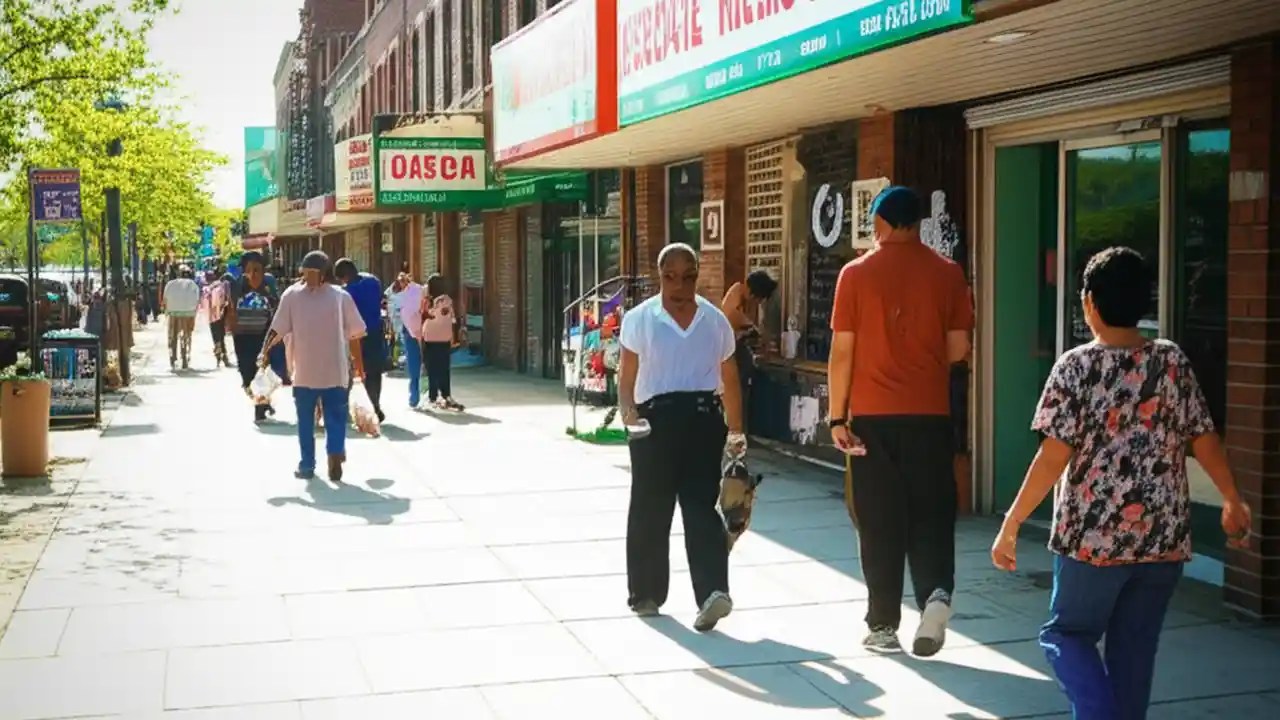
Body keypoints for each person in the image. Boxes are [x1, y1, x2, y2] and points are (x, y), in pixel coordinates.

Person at [990, 247, 1251, 720]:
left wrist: (1012, 522)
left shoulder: (1075, 367)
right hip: (1163, 541)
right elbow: (1204, 437)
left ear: (1088, 303)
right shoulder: (1172, 362)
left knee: (1066, 635)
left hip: (1092, 543)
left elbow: (1053, 456)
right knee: (1134, 654)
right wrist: (1231, 496)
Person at [827, 186, 973, 656]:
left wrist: (836, 416)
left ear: (881, 223)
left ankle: (884, 625)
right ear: (918, 223)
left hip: (873, 419)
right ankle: (935, 594)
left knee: (879, 520)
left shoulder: (855, 274)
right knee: (932, 511)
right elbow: (958, 350)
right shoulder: (948, 274)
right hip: (930, 416)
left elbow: (842, 351)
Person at [618, 243, 745, 633]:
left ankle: (713, 593)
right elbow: (626, 376)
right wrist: (630, 415)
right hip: (654, 422)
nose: (680, 284)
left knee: (701, 507)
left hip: (703, 419)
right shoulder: (640, 319)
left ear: (697, 275)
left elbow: (730, 377)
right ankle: (646, 593)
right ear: (660, 276)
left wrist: (737, 432)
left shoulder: (714, 321)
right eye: (670, 276)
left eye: (688, 276)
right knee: (650, 509)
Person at [260, 250, 367, 482]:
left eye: (312, 273)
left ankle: (314, 463)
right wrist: (264, 351)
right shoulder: (338, 297)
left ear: (324, 274)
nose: (307, 277)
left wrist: (359, 366)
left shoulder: (300, 296)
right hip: (326, 372)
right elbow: (356, 332)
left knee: (312, 421)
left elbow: (278, 328)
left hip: (310, 373)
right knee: (332, 418)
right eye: (305, 273)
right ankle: (330, 454)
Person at [226, 252, 287, 422]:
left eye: (257, 270)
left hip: (263, 338)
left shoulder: (269, 288)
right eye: (249, 270)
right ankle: (260, 401)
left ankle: (260, 406)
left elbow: (276, 312)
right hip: (242, 339)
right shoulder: (237, 288)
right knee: (247, 375)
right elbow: (230, 309)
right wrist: (233, 328)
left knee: (263, 372)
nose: (253, 275)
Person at [720, 269, 779, 426]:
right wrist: (751, 327)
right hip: (730, 349)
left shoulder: (747, 302)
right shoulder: (737, 291)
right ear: (754, 292)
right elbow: (728, 314)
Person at [334, 257, 386, 422]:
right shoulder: (373, 281)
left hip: (357, 336)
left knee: (353, 371)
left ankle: (350, 408)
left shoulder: (347, 292)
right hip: (376, 333)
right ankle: (375, 405)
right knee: (374, 372)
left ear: (344, 276)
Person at [420, 273, 461, 410]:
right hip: (444, 338)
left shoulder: (427, 301)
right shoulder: (447, 301)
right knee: (444, 368)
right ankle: (446, 395)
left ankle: (432, 396)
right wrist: (454, 337)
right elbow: (453, 319)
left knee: (431, 368)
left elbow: (422, 315)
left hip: (429, 338)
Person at [394, 273, 425, 407]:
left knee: (414, 363)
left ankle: (415, 396)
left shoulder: (402, 295)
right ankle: (421, 394)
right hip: (422, 328)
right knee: (420, 362)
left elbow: (401, 313)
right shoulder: (419, 290)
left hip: (409, 330)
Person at [162, 266, 200, 370]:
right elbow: (197, 301)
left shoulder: (170, 284)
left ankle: (173, 357)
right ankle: (185, 357)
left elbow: (165, 299)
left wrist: (166, 311)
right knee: (187, 336)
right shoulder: (193, 285)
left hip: (173, 313)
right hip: (188, 313)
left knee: (172, 336)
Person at [204, 272, 232, 367]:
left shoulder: (208, 289)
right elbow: (228, 299)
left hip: (212, 315)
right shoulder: (223, 285)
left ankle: (218, 354)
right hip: (222, 313)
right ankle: (224, 355)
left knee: (216, 336)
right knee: (221, 335)